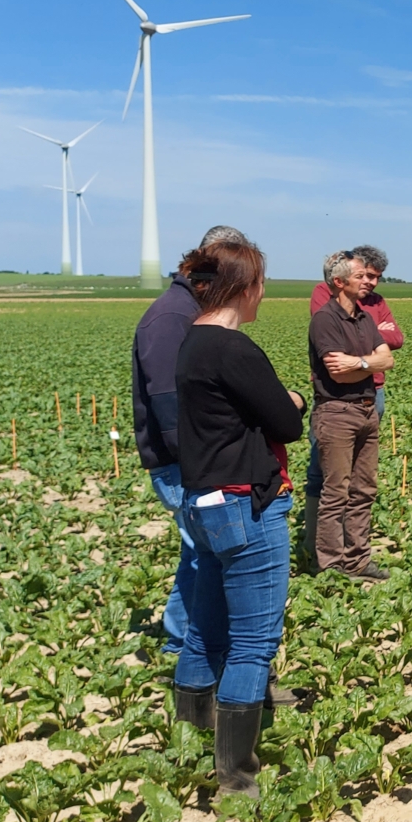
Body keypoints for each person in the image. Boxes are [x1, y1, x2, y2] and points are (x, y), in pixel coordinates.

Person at [170, 237, 307, 800]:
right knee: (253, 642)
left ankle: (188, 739)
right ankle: (236, 778)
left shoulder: (190, 343)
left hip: (202, 501)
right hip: (246, 503)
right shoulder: (234, 349)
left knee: (204, 627)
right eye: (260, 283)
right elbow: (286, 421)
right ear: (243, 287)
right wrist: (295, 399)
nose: (263, 293)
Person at [131, 224, 245, 655]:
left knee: (198, 551)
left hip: (192, 458)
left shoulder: (189, 309)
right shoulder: (170, 316)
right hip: (183, 462)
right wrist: (201, 460)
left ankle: (180, 636)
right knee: (207, 552)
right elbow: (167, 399)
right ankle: (190, 648)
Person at [301, 246, 404, 562]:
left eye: (374, 277)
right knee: (331, 485)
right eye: (363, 276)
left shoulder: (366, 311)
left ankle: (357, 558)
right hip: (336, 406)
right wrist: (371, 358)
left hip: (369, 402)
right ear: (340, 281)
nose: (370, 283)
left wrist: (358, 360)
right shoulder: (325, 307)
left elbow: (393, 347)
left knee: (363, 487)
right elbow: (337, 367)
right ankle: (324, 557)